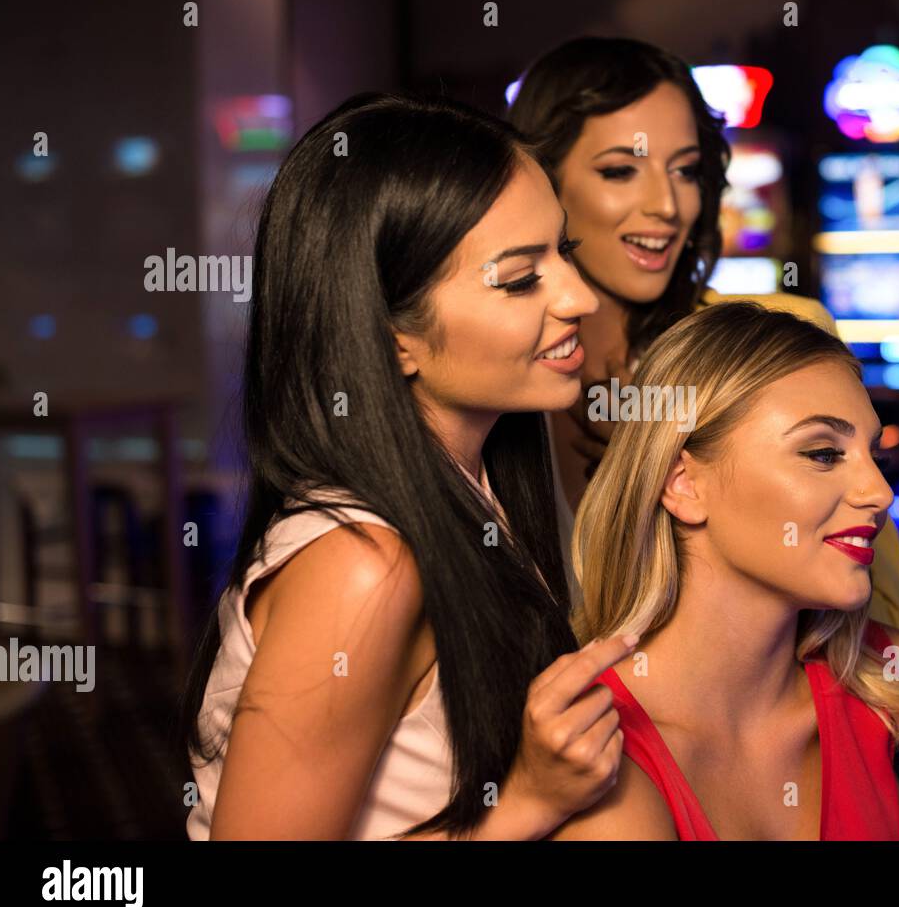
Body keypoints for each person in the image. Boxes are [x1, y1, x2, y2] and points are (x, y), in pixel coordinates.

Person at [178, 92, 635, 840]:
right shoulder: (362, 567)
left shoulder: (483, 489)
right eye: (521, 278)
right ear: (392, 337)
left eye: (567, 255)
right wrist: (527, 803)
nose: (580, 297)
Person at [510, 37, 899, 836]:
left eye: (687, 168)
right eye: (620, 169)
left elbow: (869, 601)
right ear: (541, 184)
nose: (667, 206)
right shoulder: (504, 391)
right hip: (581, 775)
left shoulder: (773, 344)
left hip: (804, 764)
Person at [553, 303, 899, 839]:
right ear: (684, 484)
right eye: (823, 454)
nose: (880, 493)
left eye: (873, 454)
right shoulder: (593, 753)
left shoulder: (876, 690)